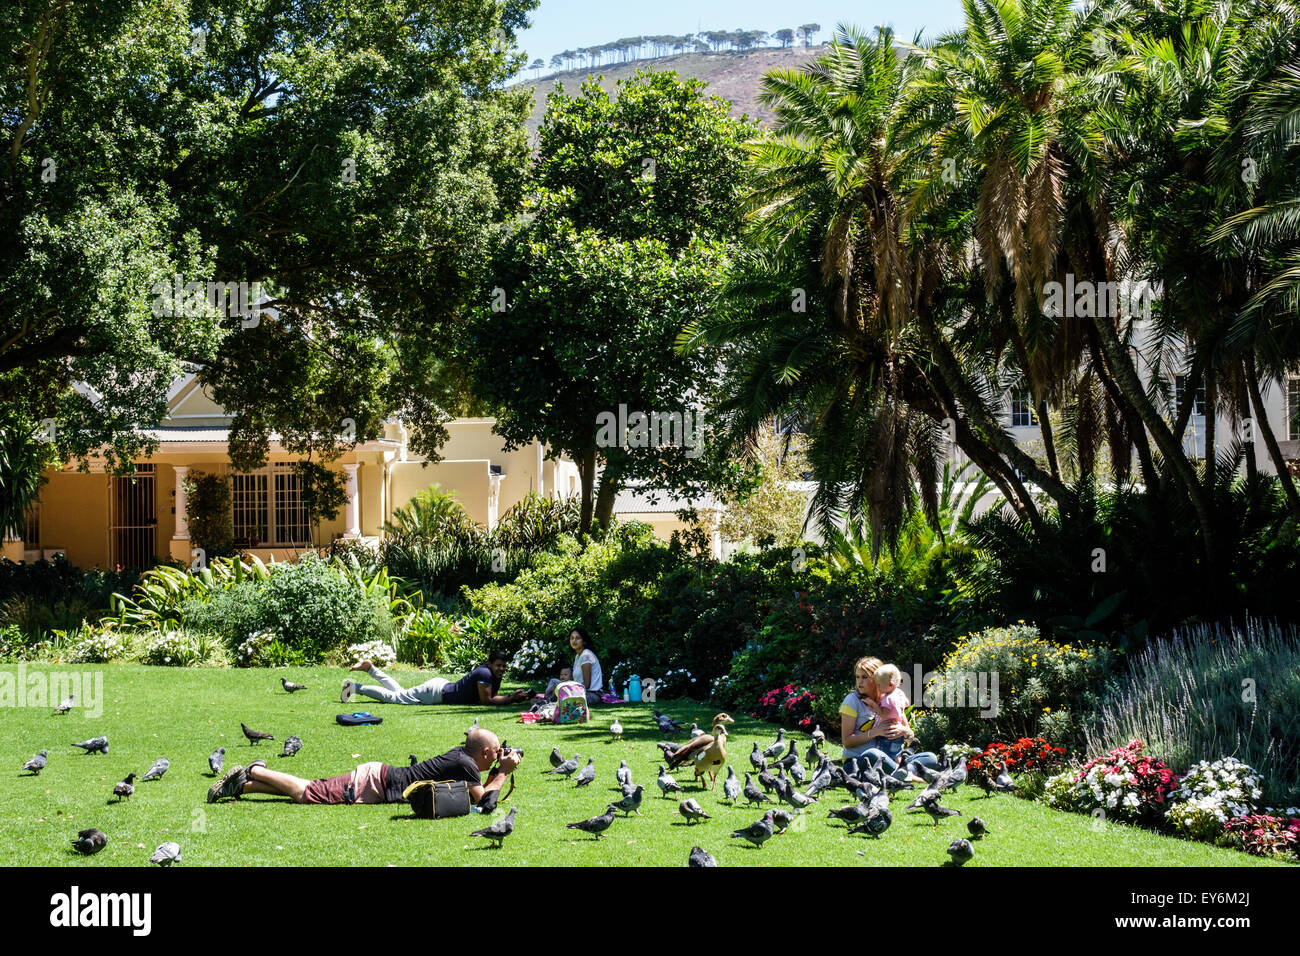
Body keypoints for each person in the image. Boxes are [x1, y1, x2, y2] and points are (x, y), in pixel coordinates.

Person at [207, 727, 521, 805]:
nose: (497, 757)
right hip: (374, 783)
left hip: (377, 779)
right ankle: (255, 769)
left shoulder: (463, 757)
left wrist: (497, 771)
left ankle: (241, 786)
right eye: (495, 754)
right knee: (307, 792)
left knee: (310, 791)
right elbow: (487, 803)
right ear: (485, 752)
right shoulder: (466, 764)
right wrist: (503, 772)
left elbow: (481, 796)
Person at [839, 656, 940, 781]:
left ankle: (897, 773)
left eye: (865, 677)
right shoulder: (852, 701)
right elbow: (847, 741)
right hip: (858, 762)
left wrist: (904, 731)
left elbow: (910, 737)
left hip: (890, 759)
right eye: (857, 677)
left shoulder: (892, 701)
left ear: (878, 679)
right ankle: (912, 777)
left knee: (930, 758)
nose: (859, 682)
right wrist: (875, 732)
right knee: (872, 754)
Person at [341, 650, 531, 706]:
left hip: (439, 688)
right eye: (498, 665)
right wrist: (512, 699)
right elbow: (487, 700)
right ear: (489, 664)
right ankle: (353, 687)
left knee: (401, 693)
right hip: (436, 693)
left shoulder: (491, 674)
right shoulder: (484, 673)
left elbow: (491, 696)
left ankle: (370, 669)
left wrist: (511, 697)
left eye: (504, 666)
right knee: (395, 697)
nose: (502, 669)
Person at [543, 627, 603, 706]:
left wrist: (563, 688)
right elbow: (575, 681)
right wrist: (559, 686)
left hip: (590, 694)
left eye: (577, 638)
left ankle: (549, 701)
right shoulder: (578, 656)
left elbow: (587, 685)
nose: (574, 641)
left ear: (584, 641)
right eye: (572, 638)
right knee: (554, 681)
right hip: (578, 690)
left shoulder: (586, 655)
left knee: (565, 696)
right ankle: (549, 699)